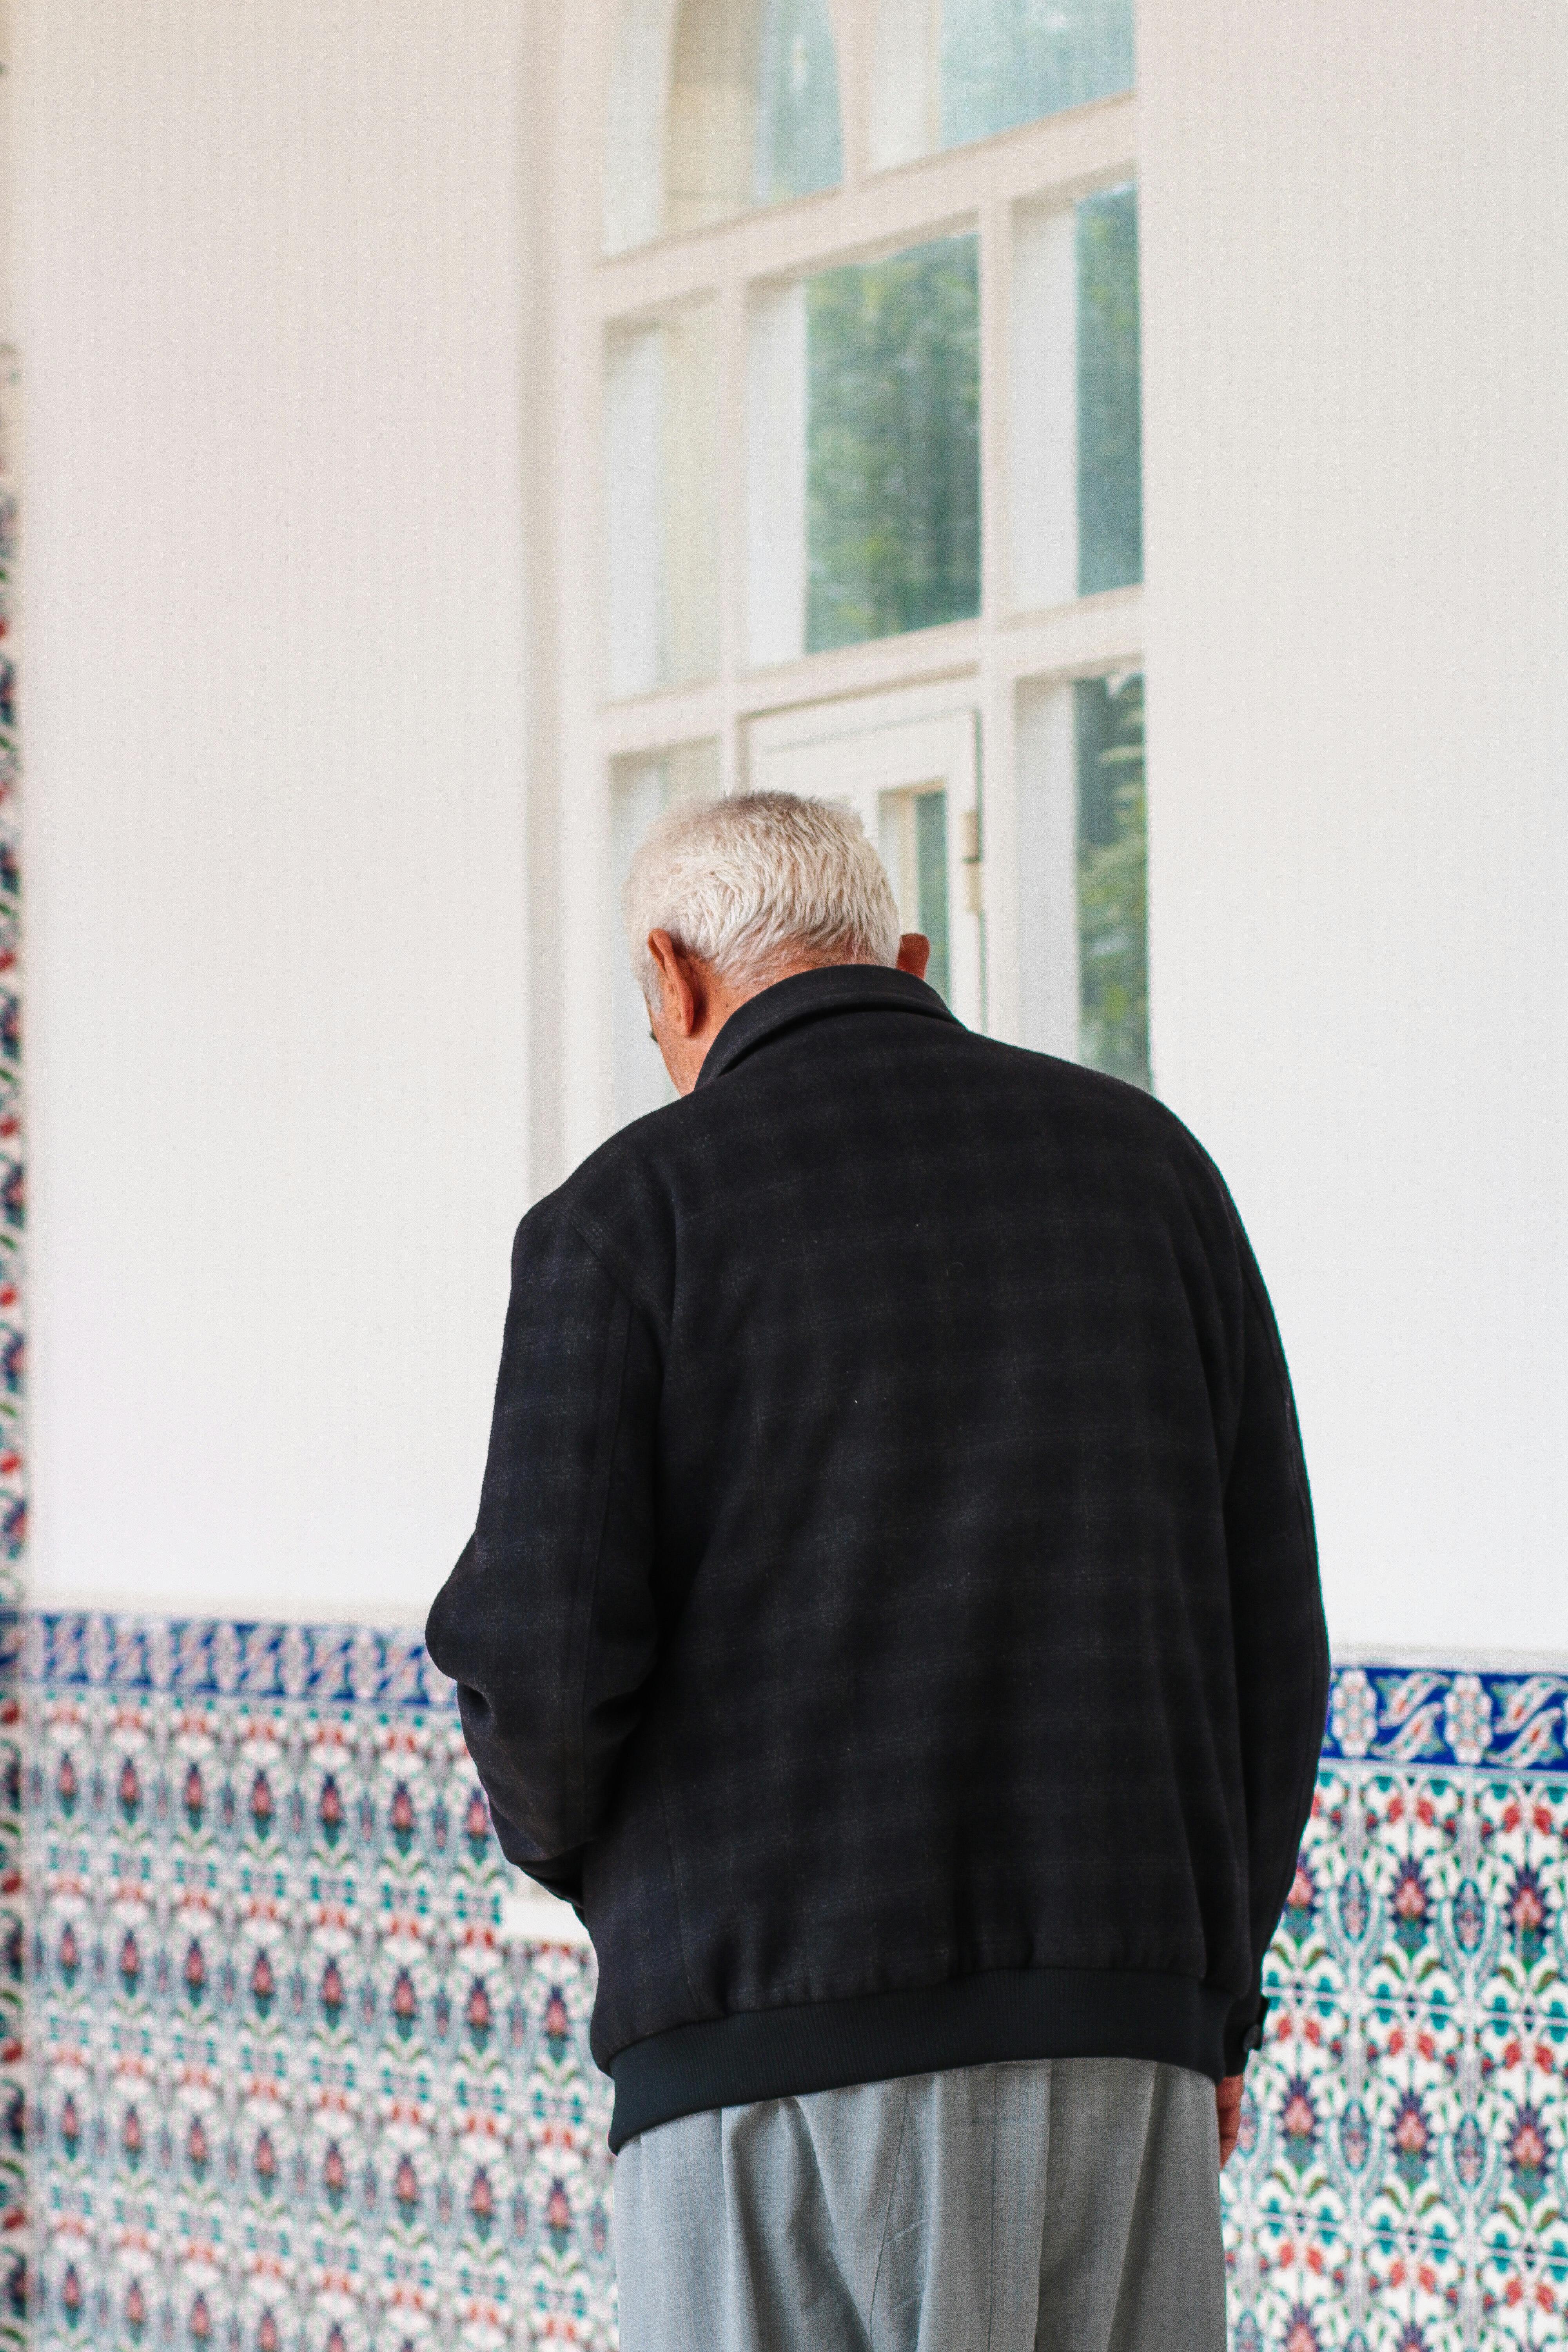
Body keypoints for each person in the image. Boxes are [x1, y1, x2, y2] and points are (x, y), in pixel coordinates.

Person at [426, 789, 1328, 2351]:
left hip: (757, 2052)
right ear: (901, 953)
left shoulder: (628, 1221)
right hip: (1123, 2045)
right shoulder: (1151, 1176)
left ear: (671, 978)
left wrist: (625, 1889)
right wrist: (1209, 1998)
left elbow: (543, 1660)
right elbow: (1272, 1642)